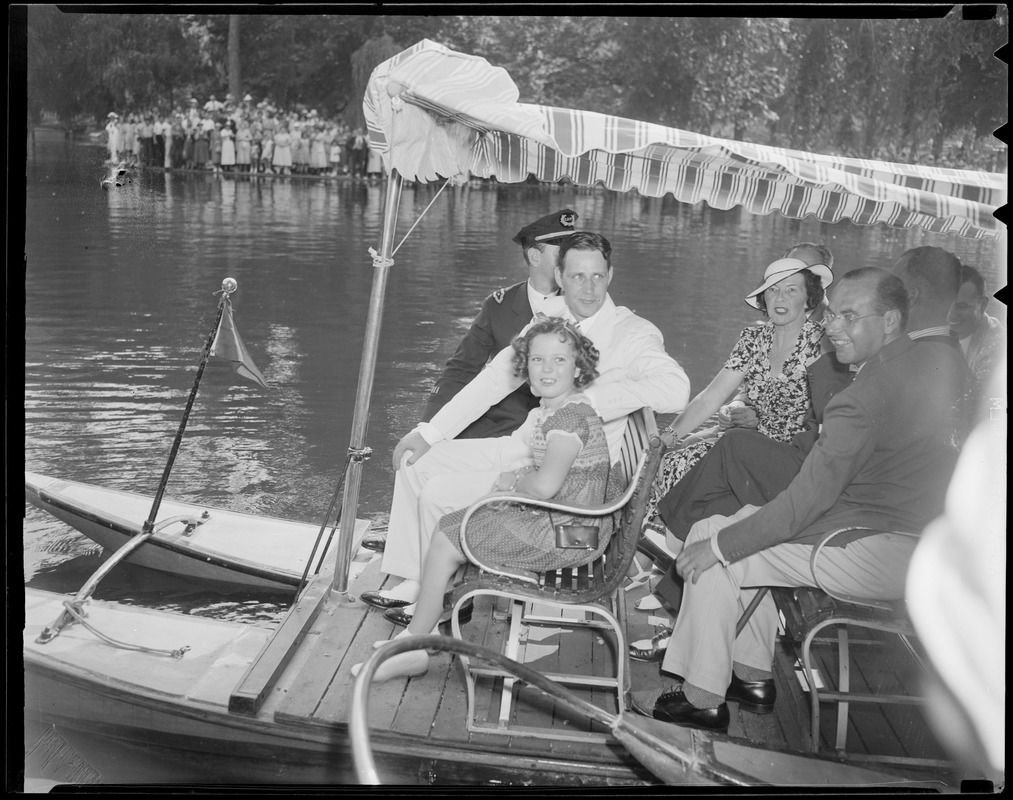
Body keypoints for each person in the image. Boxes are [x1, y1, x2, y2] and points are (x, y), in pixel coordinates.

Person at [630, 268, 966, 732]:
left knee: (716, 542)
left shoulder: (861, 398)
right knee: (726, 530)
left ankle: (701, 698)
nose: (832, 327)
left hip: (868, 547)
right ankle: (750, 676)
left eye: (850, 317)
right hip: (921, 544)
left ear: (890, 320)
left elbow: (805, 503)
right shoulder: (933, 361)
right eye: (832, 315)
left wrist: (721, 548)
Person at [360, 232, 690, 623]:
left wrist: (592, 399)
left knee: (436, 492)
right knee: (418, 462)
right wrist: (429, 433)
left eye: (597, 276)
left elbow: (677, 389)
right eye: (578, 276)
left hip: (570, 481)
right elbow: (495, 378)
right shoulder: (552, 318)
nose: (588, 287)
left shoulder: (632, 333)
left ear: (610, 275)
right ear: (560, 276)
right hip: (528, 446)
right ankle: (417, 579)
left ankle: (439, 602)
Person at [352, 318, 612, 681]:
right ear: (525, 366)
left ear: (579, 367)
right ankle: (418, 639)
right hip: (570, 525)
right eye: (538, 360)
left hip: (570, 536)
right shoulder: (559, 409)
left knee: (448, 536)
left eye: (559, 360)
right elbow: (549, 484)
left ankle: (416, 645)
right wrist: (517, 482)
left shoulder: (568, 420)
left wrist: (515, 482)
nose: (547, 369)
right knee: (451, 527)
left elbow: (545, 488)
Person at [643, 252, 833, 528]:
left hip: (788, 455)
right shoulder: (752, 338)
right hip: (743, 443)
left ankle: (659, 544)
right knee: (667, 460)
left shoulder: (821, 344)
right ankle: (651, 550)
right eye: (773, 291)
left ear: (809, 299)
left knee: (684, 465)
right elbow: (710, 398)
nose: (780, 298)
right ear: (763, 299)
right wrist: (667, 439)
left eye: (792, 290)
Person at [948, 263, 1005, 394]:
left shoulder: (997, 347)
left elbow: (975, 402)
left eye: (961, 307)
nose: (950, 314)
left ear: (983, 305)